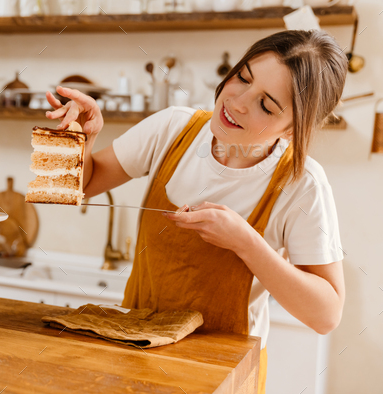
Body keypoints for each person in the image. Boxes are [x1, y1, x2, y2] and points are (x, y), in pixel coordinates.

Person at [44, 30, 347, 394]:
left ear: (293, 129)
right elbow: (78, 185)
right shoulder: (173, 128)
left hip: (225, 375)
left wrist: (245, 242)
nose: (237, 102)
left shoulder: (303, 183)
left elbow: (326, 315)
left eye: (267, 105)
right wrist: (83, 139)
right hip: (135, 350)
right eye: (242, 77)